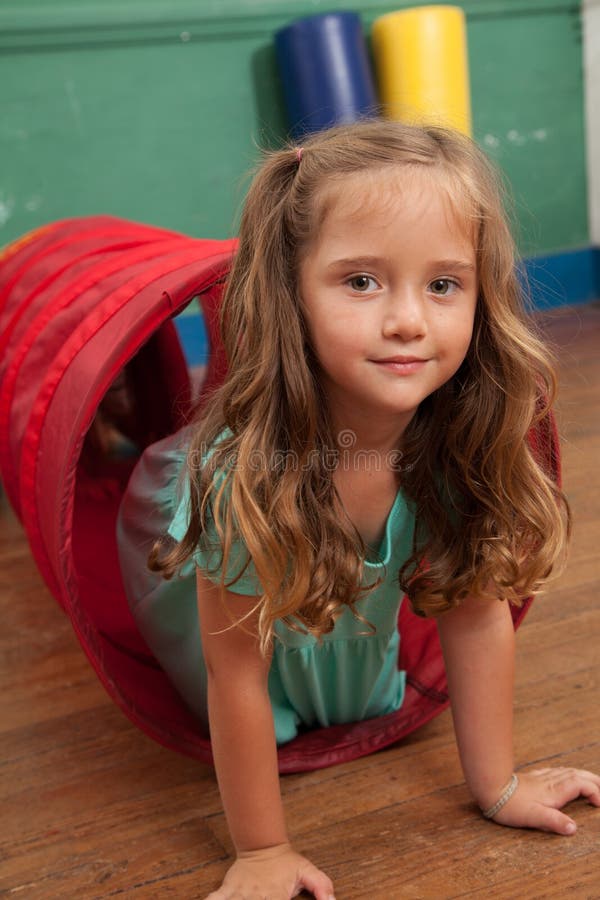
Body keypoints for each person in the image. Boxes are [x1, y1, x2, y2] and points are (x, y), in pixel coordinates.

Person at [117, 120, 600, 900]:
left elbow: (475, 616)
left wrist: (498, 786)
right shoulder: (245, 472)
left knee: (363, 699)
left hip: (323, 608)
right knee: (251, 688)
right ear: (291, 292)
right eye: (362, 281)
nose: (409, 319)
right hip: (194, 575)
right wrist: (264, 850)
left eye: (443, 284)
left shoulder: (454, 442)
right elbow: (232, 667)